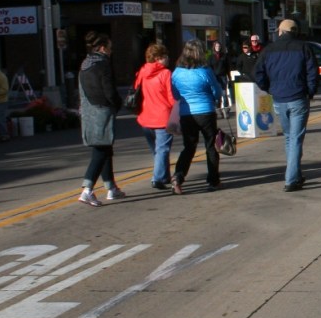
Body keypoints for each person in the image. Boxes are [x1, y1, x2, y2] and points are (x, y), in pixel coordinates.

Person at [254, 17, 318, 192]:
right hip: (298, 97)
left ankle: (295, 175)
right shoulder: (304, 48)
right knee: (295, 139)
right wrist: (310, 91)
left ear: (280, 32)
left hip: (279, 98)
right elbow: (312, 72)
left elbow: (258, 73)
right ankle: (291, 179)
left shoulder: (269, 50)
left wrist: (269, 88)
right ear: (295, 32)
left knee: (290, 137)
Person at [77, 31, 125, 206]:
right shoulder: (103, 64)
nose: (111, 52)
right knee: (101, 150)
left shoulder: (85, 65)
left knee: (104, 147)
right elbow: (109, 90)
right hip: (102, 110)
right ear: (103, 48)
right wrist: (117, 104)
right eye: (110, 48)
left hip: (88, 111)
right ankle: (87, 189)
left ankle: (111, 187)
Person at [171, 39, 223, 193]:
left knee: (189, 147)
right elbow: (216, 91)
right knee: (211, 146)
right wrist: (214, 98)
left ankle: (178, 177)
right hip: (206, 111)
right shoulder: (205, 71)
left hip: (187, 113)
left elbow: (175, 94)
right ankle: (213, 180)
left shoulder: (177, 73)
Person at [134, 42, 175, 190]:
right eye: (165, 56)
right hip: (162, 118)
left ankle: (164, 176)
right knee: (162, 150)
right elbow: (171, 98)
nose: (168, 59)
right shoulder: (165, 74)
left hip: (145, 117)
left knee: (157, 151)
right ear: (158, 58)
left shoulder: (142, 72)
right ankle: (157, 178)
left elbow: (137, 92)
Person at [207, 39, 232, 109]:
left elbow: (228, 68)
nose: (218, 47)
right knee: (217, 94)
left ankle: (226, 110)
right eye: (216, 46)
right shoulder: (211, 57)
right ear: (214, 47)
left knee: (224, 94)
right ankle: (218, 109)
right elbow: (209, 68)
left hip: (223, 76)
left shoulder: (224, 56)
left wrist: (229, 78)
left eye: (219, 46)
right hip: (215, 77)